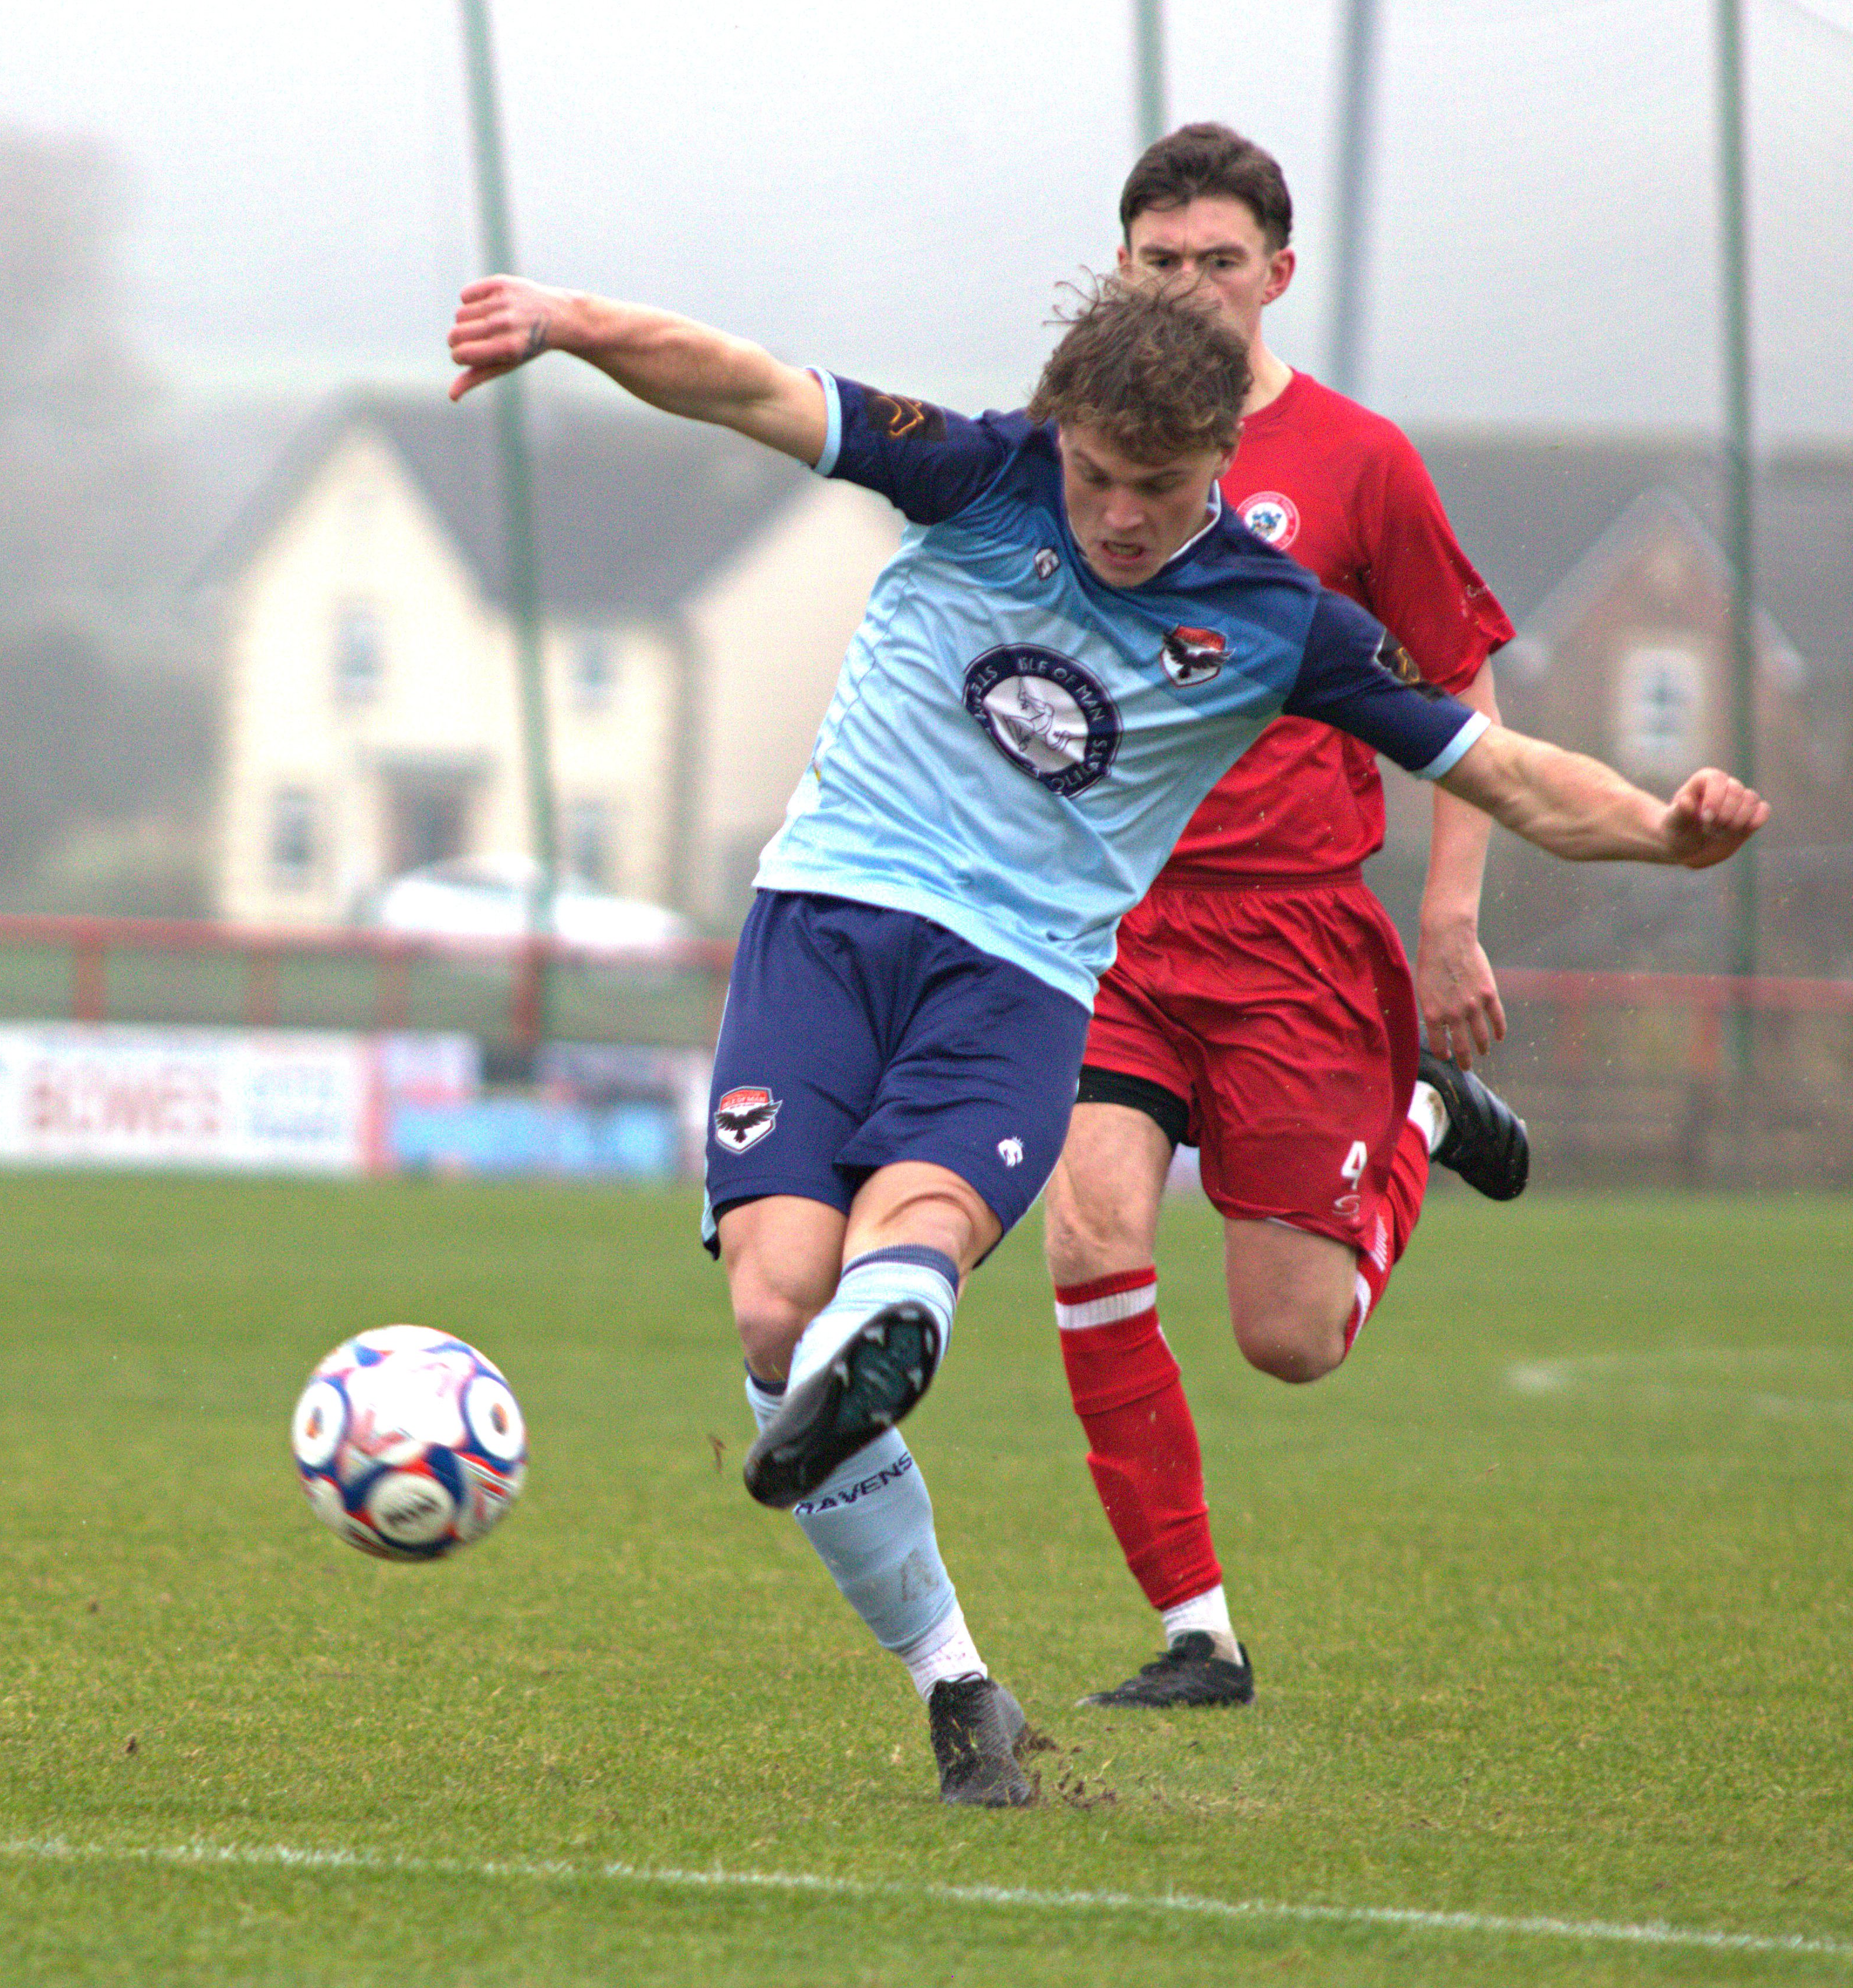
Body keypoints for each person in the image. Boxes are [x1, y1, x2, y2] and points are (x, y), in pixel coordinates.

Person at [447, 268, 1764, 1807]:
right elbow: (742, 381)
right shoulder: (977, 466)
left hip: (1018, 975)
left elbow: (1506, 767)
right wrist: (566, 324)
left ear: (1221, 467)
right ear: (1058, 434)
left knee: (923, 1246)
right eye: (1095, 476)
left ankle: (905, 1333)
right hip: (825, 922)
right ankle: (959, 1676)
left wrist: (1668, 834)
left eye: (1156, 488)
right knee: (769, 1315)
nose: (1119, 516)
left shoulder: (1282, 620)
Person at [1042, 123, 1534, 1713]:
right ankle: (1199, 1630)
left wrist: (1450, 913)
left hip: (1293, 940)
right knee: (1092, 1228)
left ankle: (1416, 1108)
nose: (1190, 286)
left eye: (1221, 264)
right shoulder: (1070, 445)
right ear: (1126, 267)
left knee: (1290, 1338)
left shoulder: (1355, 461)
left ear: (1279, 276)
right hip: (1116, 921)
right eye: (1162, 260)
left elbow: (1459, 681)